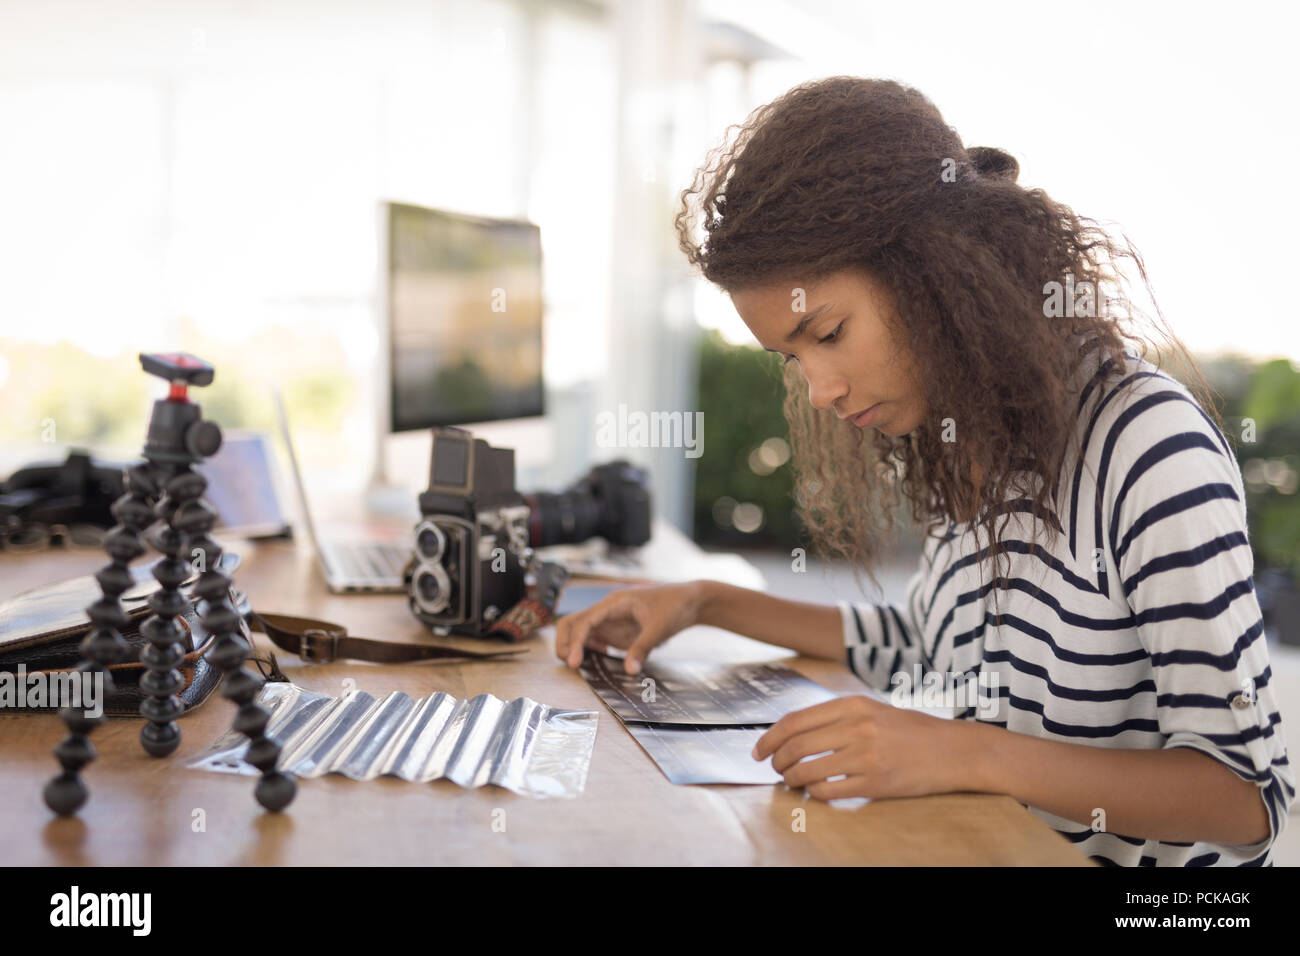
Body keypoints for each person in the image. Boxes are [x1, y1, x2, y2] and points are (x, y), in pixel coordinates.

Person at [555, 76, 1293, 866]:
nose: (821, 390)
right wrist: (705, 602)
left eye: (828, 333)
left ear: (935, 274)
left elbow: (1246, 797)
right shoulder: (966, 428)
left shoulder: (1149, 449)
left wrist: (963, 752)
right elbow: (930, 641)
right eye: (792, 357)